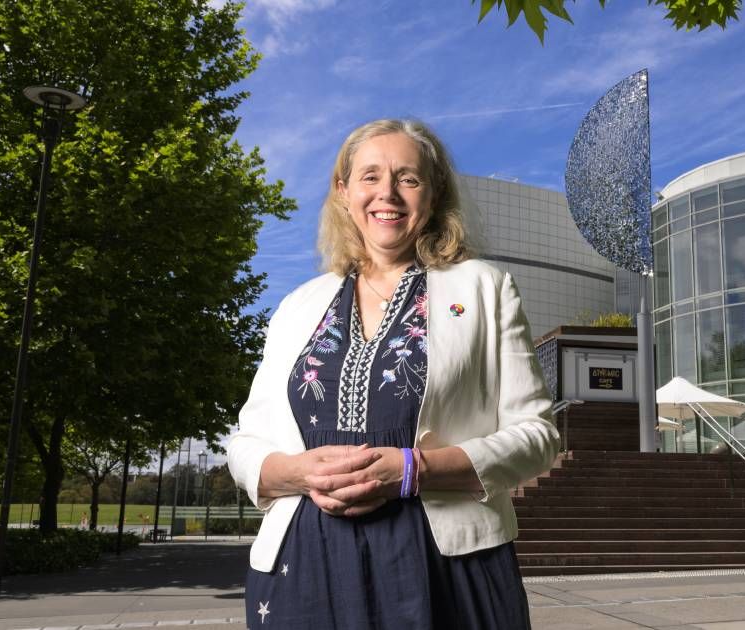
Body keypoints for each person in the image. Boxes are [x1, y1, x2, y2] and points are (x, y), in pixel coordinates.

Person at [227, 119, 560, 629]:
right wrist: (298, 472)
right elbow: (246, 444)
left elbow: (538, 436)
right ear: (343, 192)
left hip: (443, 562)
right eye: (369, 177)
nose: (388, 193)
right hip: (306, 563)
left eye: (408, 178)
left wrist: (412, 470)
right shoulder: (298, 306)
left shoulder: (485, 288)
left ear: (433, 193)